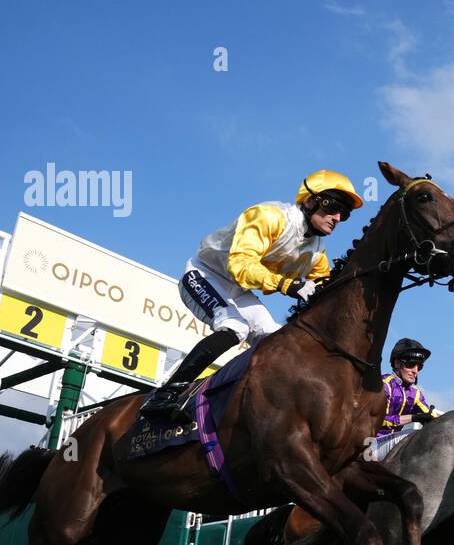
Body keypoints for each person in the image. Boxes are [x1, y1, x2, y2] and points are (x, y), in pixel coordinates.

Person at [141, 169, 366, 422]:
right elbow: (241, 267)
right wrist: (288, 286)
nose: (337, 218)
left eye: (344, 214)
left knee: (275, 342)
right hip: (205, 274)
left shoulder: (317, 252)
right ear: (310, 200)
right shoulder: (268, 216)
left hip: (238, 290)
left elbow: (325, 290)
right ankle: (164, 396)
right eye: (333, 207)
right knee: (235, 326)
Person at [378, 338, 439, 438]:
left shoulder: (415, 393)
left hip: (391, 443)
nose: (415, 371)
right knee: (414, 436)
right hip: (372, 442)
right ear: (397, 363)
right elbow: (379, 420)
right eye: (411, 365)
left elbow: (432, 417)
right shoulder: (384, 384)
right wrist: (413, 417)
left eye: (419, 367)